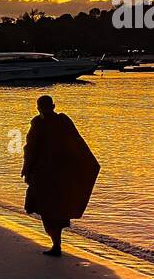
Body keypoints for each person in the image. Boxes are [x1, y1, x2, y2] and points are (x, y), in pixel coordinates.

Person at [22, 95, 100, 257]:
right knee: (56, 209)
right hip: (61, 175)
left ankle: (56, 245)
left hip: (45, 175)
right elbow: (77, 143)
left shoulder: (39, 123)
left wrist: (26, 169)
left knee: (47, 210)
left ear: (39, 108)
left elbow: (31, 149)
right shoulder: (63, 121)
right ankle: (56, 243)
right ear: (54, 106)